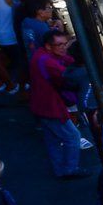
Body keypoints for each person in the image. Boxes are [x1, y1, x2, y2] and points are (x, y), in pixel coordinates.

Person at [29, 30, 89, 180]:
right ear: (49, 46)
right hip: (51, 107)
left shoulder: (41, 55)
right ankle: (70, 169)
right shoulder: (49, 62)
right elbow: (70, 78)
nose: (63, 47)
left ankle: (60, 169)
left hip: (41, 105)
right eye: (59, 45)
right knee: (72, 136)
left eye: (65, 44)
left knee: (53, 139)